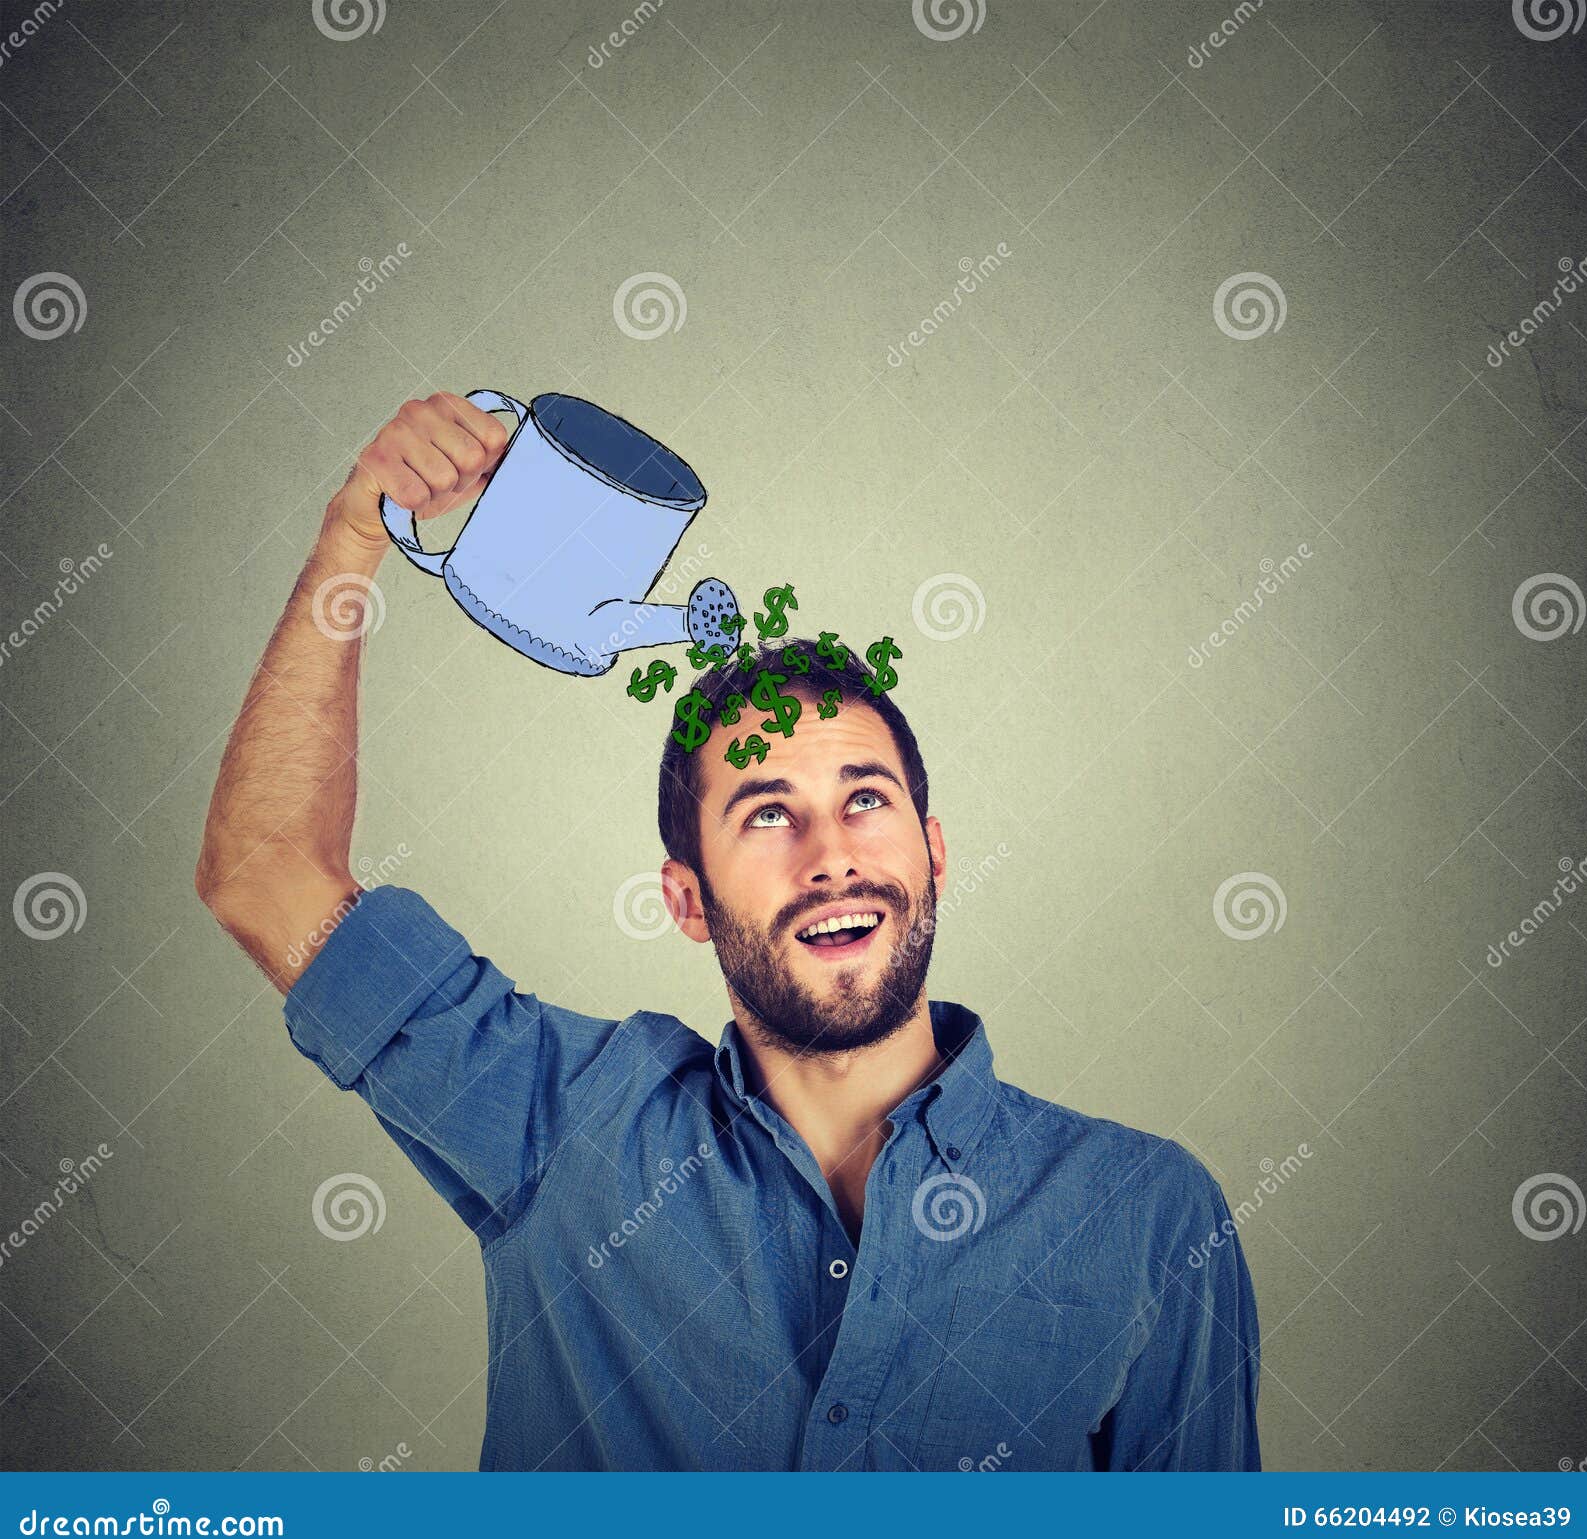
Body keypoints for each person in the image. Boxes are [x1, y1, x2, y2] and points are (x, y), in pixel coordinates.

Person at [197, 392, 1262, 1472]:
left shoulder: (1145, 1214)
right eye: (765, 813)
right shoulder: (566, 1124)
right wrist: (357, 534)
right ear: (688, 900)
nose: (830, 854)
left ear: (934, 851)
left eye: (865, 799)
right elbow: (263, 874)